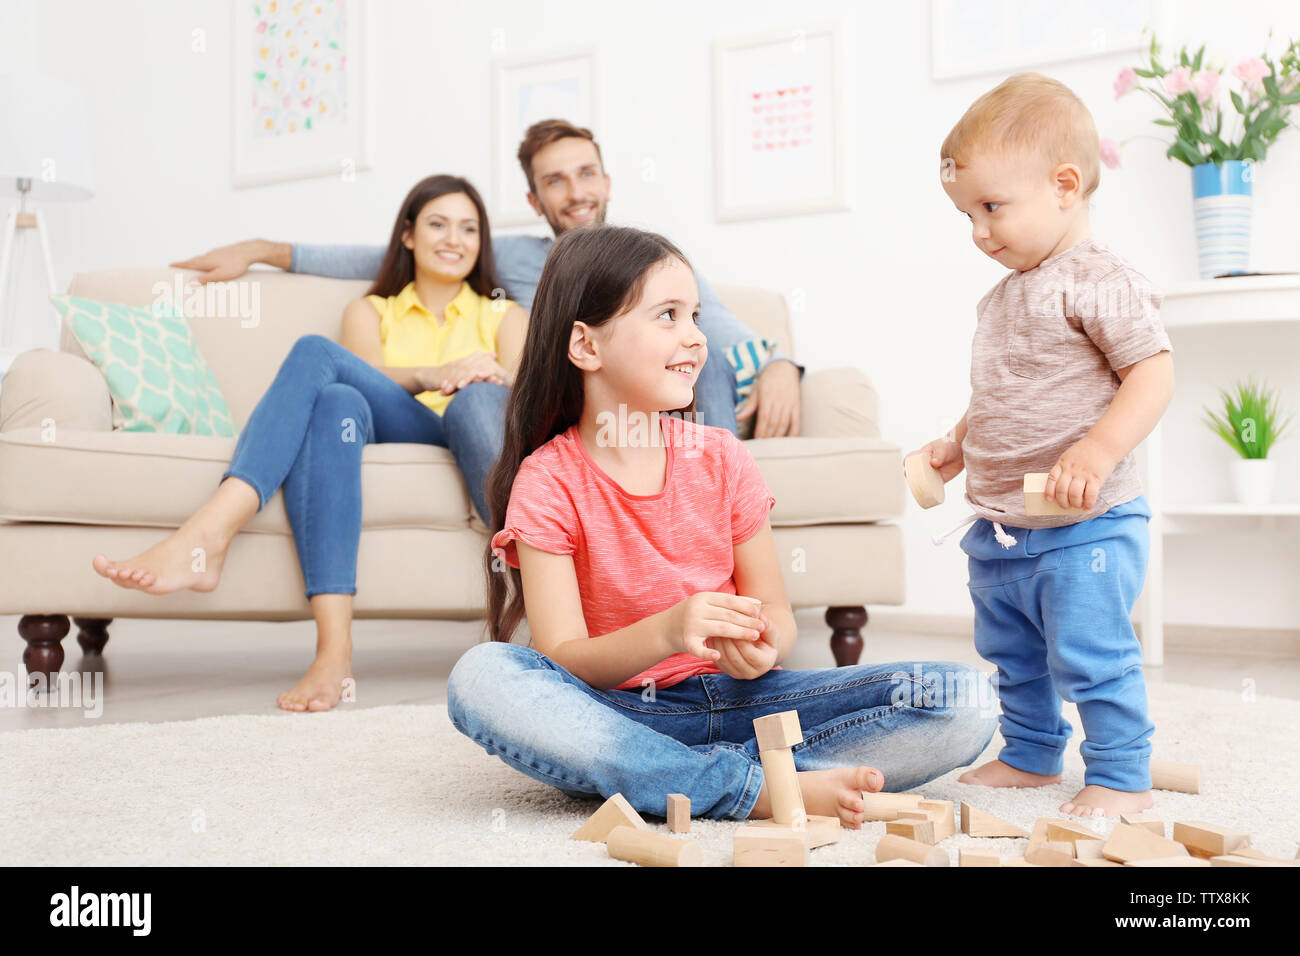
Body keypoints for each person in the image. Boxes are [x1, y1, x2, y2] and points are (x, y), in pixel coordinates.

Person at [444, 225, 997, 824]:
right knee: (483, 675)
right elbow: (565, 659)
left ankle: (668, 778)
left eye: (695, 317)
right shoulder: (547, 480)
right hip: (619, 713)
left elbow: (777, 616)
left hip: (748, 704)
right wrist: (667, 631)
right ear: (586, 345)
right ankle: (752, 788)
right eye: (668, 316)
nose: (696, 339)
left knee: (964, 699)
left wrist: (764, 647)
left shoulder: (722, 457)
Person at [91, 175, 528, 712]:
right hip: (403, 422)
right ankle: (332, 652)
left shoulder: (505, 314)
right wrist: (435, 371)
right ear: (409, 236)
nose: (454, 238)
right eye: (438, 224)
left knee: (459, 398)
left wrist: (477, 376)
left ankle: (210, 532)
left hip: (471, 431)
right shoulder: (370, 310)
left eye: (469, 228)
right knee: (336, 402)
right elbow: (365, 377)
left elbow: (518, 394)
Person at [170, 119, 804, 439]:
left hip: (654, 406)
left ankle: (719, 519)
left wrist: (780, 366)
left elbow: (713, 328)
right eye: (555, 181)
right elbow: (387, 256)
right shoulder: (512, 259)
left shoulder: (658, 263)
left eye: (586, 174)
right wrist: (264, 249)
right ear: (535, 200)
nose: (575, 192)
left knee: (712, 364)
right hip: (573, 408)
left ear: (607, 183)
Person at [914, 74, 1175, 817]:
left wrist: (1096, 450)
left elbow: (1152, 374)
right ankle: (1030, 756)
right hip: (1002, 527)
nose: (979, 231)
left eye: (992, 207)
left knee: (1093, 656)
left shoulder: (1103, 280)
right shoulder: (999, 299)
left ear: (1065, 185)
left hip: (1085, 525)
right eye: (967, 214)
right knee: (1013, 656)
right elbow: (1003, 393)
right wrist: (957, 444)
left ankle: (1123, 775)